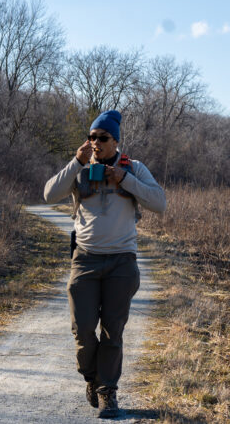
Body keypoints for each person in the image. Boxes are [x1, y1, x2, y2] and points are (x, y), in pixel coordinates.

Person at [43, 110, 166, 418]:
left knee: (113, 331)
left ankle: (107, 391)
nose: (95, 142)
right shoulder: (81, 168)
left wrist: (125, 179)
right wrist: (76, 162)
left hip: (122, 262)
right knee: (83, 329)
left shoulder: (133, 168)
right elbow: (49, 195)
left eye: (102, 137)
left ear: (116, 141)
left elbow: (159, 203)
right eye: (91, 137)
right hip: (85, 259)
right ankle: (91, 377)